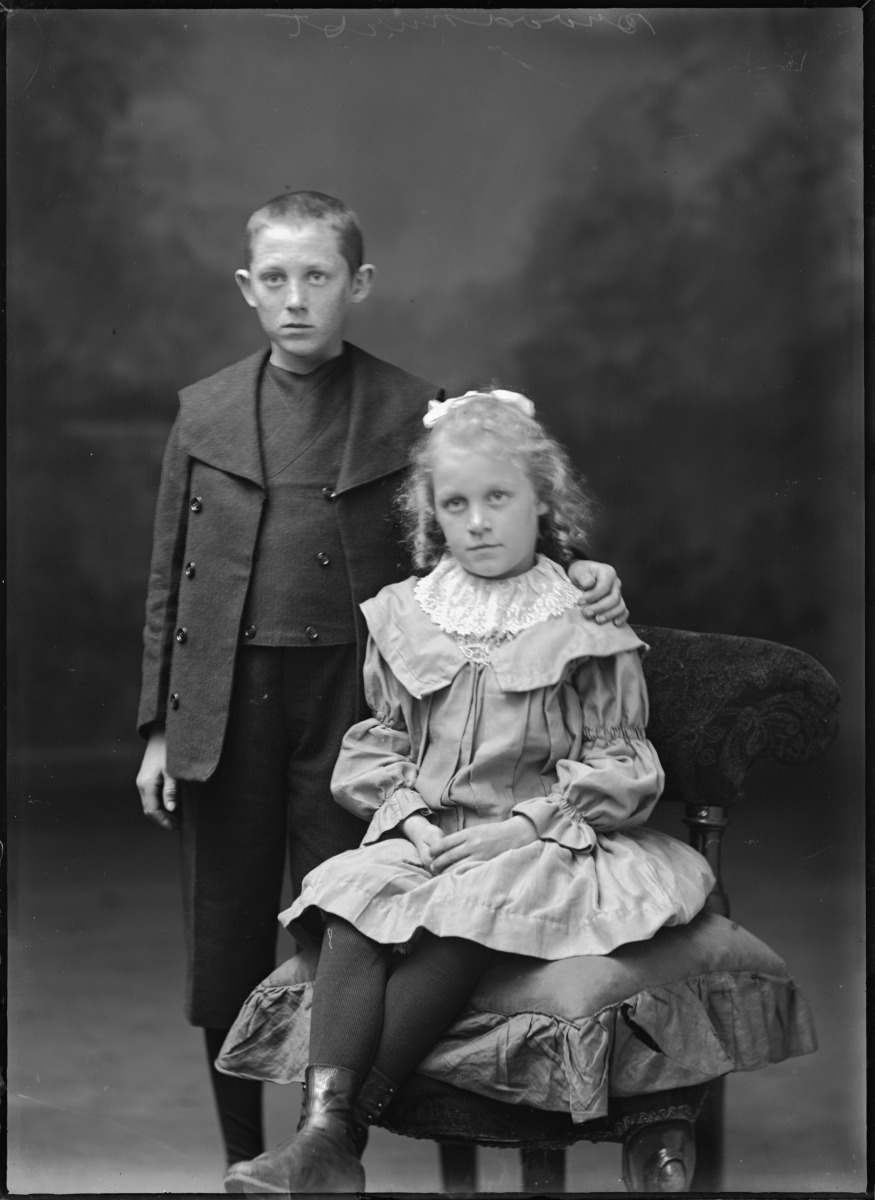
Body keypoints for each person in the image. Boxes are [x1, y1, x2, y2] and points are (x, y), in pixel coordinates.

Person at [134, 192, 629, 1169]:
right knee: (227, 940)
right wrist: (156, 725)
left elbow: (487, 520)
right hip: (225, 702)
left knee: (355, 918)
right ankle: (245, 1156)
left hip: (360, 703)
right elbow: (168, 576)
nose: (294, 300)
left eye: (316, 276)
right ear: (245, 289)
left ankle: (335, 1142)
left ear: (355, 284)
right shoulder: (204, 412)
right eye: (273, 279)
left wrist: (577, 574)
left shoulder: (410, 406)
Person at [220, 389, 716, 1195]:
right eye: (456, 504)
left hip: (544, 839)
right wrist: (408, 819)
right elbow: (380, 740)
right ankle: (322, 1141)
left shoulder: (583, 620)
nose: (479, 521)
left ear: (540, 503)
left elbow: (619, 760)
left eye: (498, 498)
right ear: (431, 516)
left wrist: (521, 828)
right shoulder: (408, 617)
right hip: (434, 832)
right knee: (351, 900)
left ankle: (339, 1138)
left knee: (471, 907)